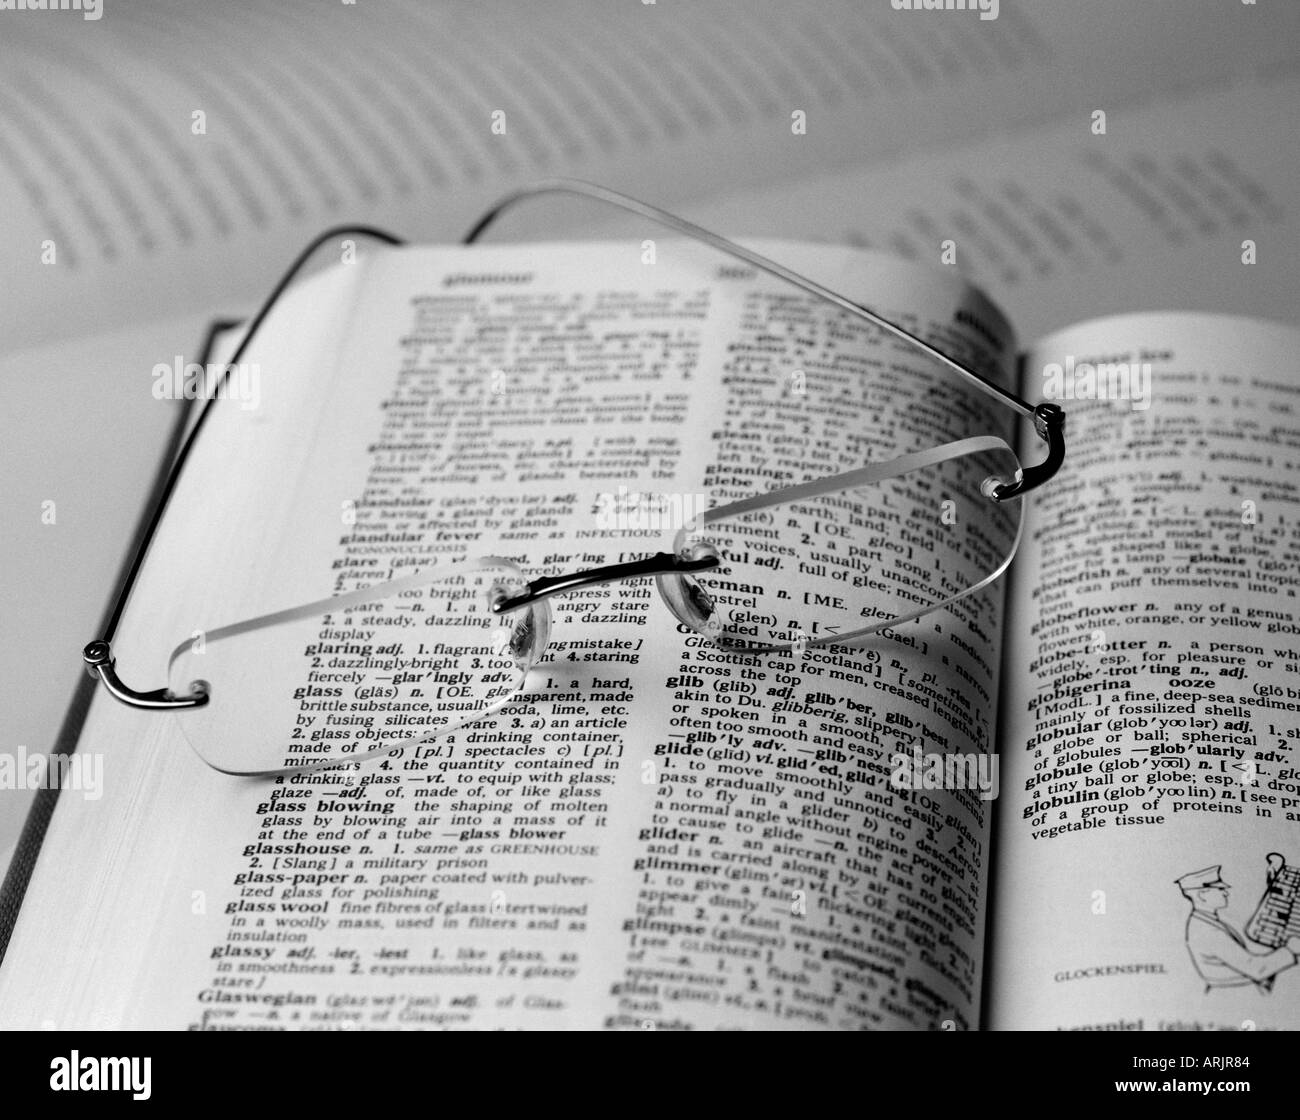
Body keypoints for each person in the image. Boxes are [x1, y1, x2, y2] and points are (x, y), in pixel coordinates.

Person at [1177, 866, 1300, 992]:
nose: (1225, 892)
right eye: (1219, 889)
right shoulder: (1207, 932)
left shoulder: (1206, 920)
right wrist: (1290, 950)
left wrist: (1274, 885)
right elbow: (1257, 969)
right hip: (1236, 993)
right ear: (1202, 895)